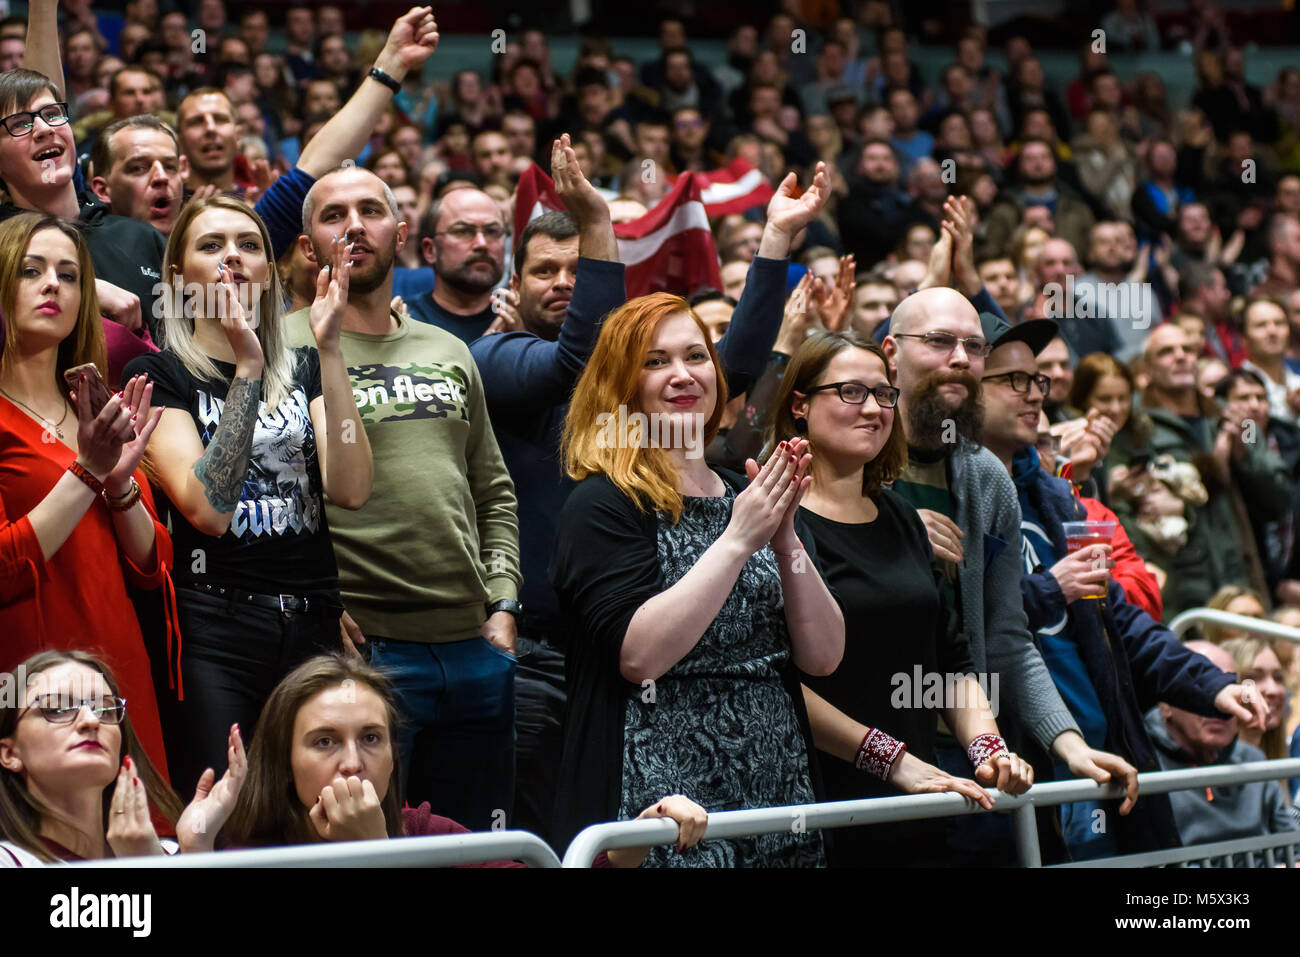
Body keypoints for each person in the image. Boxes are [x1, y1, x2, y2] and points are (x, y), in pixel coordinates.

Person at [550, 292, 845, 866]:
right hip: (661, 800)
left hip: (776, 786)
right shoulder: (603, 503)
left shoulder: (748, 493)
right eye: (656, 361)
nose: (683, 375)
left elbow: (824, 656)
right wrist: (737, 541)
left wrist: (784, 540)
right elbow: (640, 656)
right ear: (622, 387)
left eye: (696, 356)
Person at [282, 165, 521, 832]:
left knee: (476, 846)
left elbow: (492, 486)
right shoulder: (283, 344)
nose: (354, 225)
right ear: (307, 247)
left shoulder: (449, 347)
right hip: (368, 649)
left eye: (370, 210)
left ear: (403, 233)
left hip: (475, 642)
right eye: (333, 215)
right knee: (372, 842)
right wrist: (319, 605)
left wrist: (503, 601)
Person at [976, 313, 1269, 859]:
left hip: (1100, 760)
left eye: (1037, 379)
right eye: (1014, 380)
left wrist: (1210, 685)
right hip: (1020, 767)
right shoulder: (955, 499)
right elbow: (964, 628)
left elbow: (1119, 624)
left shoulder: (1057, 498)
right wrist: (1049, 589)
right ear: (965, 388)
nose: (1036, 393)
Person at [123, 196, 372, 796]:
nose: (232, 256)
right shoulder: (161, 376)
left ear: (269, 271)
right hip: (215, 626)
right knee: (228, 812)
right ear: (179, 280)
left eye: (248, 244)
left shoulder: (310, 366)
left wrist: (333, 348)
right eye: (211, 245)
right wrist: (246, 369)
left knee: (322, 810)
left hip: (313, 619)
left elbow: (352, 487)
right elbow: (208, 509)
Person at [880, 287, 1138, 863]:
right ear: (890, 353)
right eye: (940, 341)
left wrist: (1070, 745)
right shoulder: (847, 460)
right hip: (868, 751)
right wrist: (891, 534)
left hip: (972, 748)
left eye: (973, 346)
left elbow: (1006, 638)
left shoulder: (986, 480)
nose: (959, 358)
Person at [770, 329, 1033, 866]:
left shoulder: (900, 518)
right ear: (799, 405)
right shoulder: (771, 519)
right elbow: (773, 677)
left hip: (918, 798)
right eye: (850, 392)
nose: (873, 409)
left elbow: (951, 660)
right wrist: (891, 760)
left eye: (884, 394)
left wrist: (988, 749)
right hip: (819, 805)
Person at [218, 653, 704, 866]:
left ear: (394, 756)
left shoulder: (428, 836)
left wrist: (636, 833)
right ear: (284, 760)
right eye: (324, 742)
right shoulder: (249, 854)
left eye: (371, 738)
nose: (352, 763)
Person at [0, 211, 173, 777]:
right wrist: (86, 472)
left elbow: (153, 565)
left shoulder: (93, 413)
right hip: (28, 673)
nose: (53, 284)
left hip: (118, 663)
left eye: (70, 275)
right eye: (32, 270)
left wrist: (120, 483)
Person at [0, 650, 246, 865]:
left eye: (105, 709)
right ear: (9, 753)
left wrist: (196, 847)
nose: (91, 720)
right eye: (57, 709)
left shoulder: (169, 852)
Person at [1145, 640, 1298, 864]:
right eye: (1201, 690)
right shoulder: (1144, 767)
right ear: (1165, 705)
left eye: (1227, 689)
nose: (1219, 706)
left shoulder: (1252, 760)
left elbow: (1293, 849)